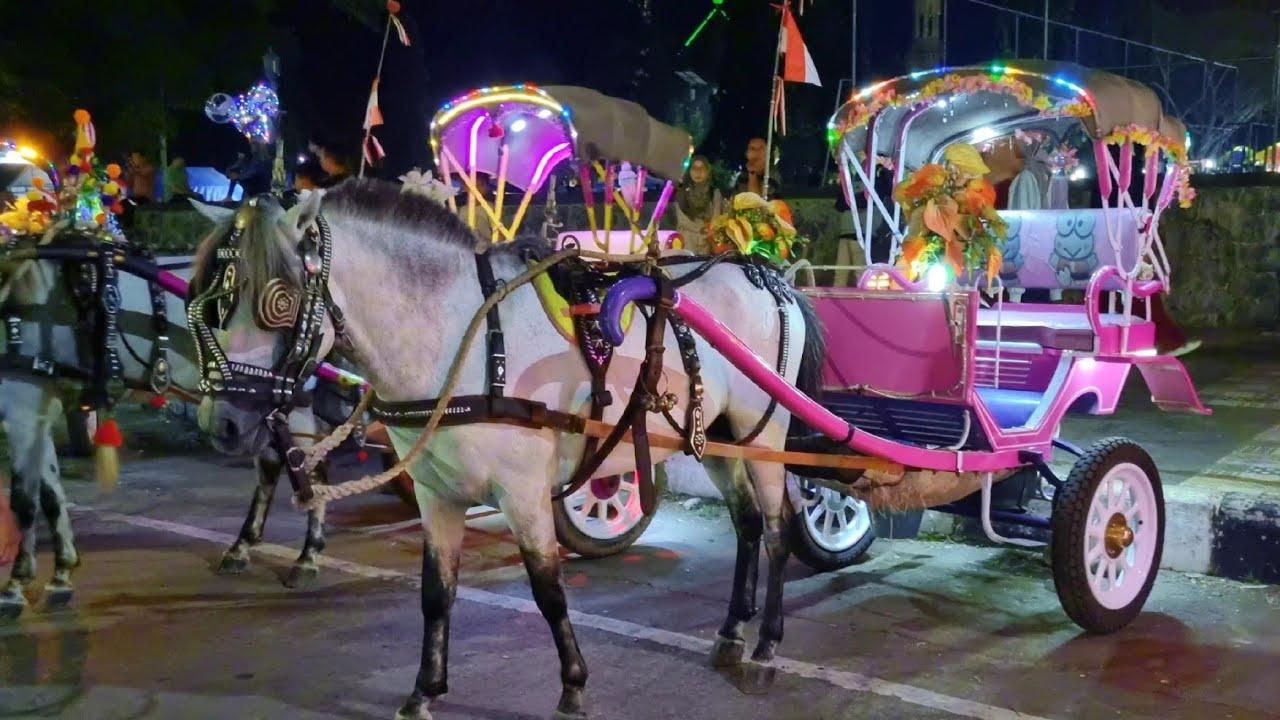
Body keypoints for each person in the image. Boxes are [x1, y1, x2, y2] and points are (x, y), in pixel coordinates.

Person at [674, 155, 724, 254]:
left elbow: (716, 218)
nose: (698, 172)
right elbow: (682, 220)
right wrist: (702, 226)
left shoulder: (714, 192)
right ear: (689, 171)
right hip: (687, 241)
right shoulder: (682, 193)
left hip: (707, 242)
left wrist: (709, 229)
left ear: (707, 171)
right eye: (694, 168)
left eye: (702, 168)